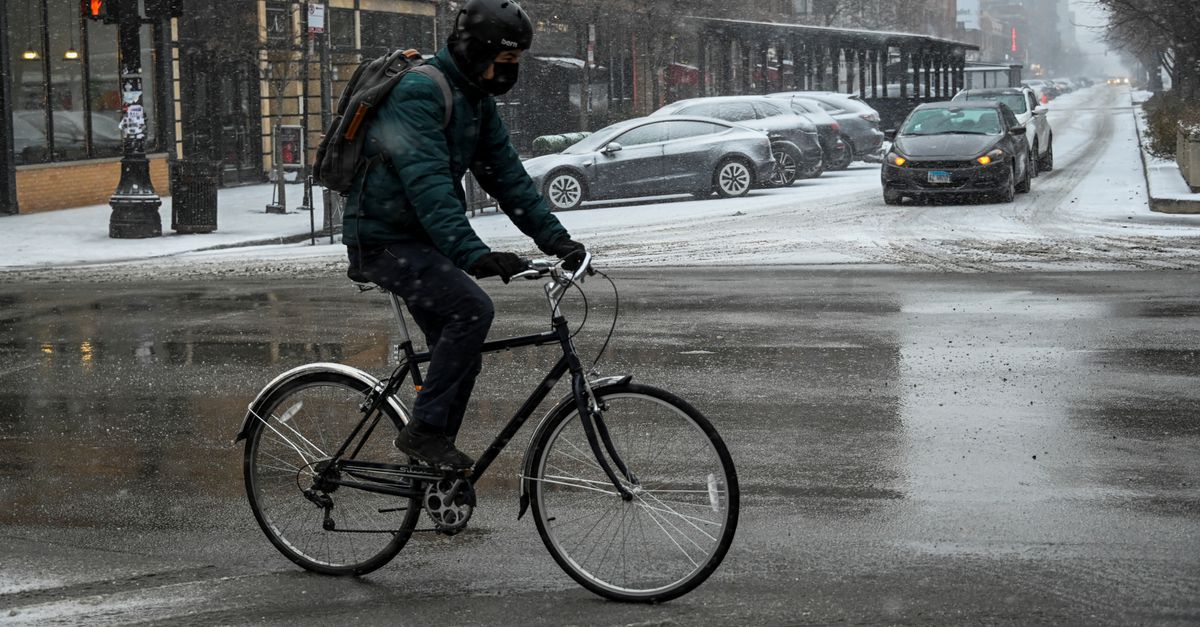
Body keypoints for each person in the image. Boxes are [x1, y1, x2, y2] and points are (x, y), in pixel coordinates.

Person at [343, 0, 585, 469]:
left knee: (462, 351)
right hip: (382, 239)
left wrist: (558, 241)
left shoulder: (474, 98)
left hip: (420, 238)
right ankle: (425, 434)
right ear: (477, 51)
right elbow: (429, 185)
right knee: (471, 310)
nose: (509, 72)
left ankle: (433, 461)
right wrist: (474, 254)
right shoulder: (419, 92)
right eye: (505, 60)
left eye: (516, 62)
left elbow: (508, 178)